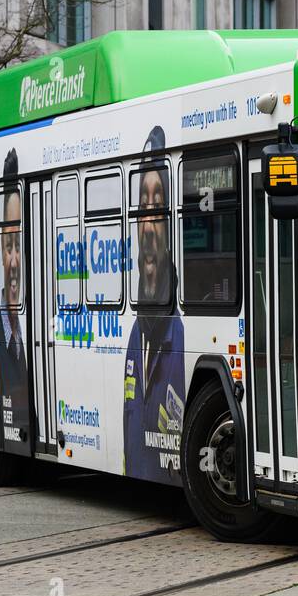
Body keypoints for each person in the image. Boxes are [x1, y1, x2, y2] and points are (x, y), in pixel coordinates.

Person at [123, 126, 186, 483]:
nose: (148, 223)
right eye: (142, 208)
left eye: (157, 205)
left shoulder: (179, 335)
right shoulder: (135, 335)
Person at [0, 148, 29, 439]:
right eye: (9, 247)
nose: (14, 260)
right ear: (0, 253)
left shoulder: (33, 333)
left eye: (19, 245)